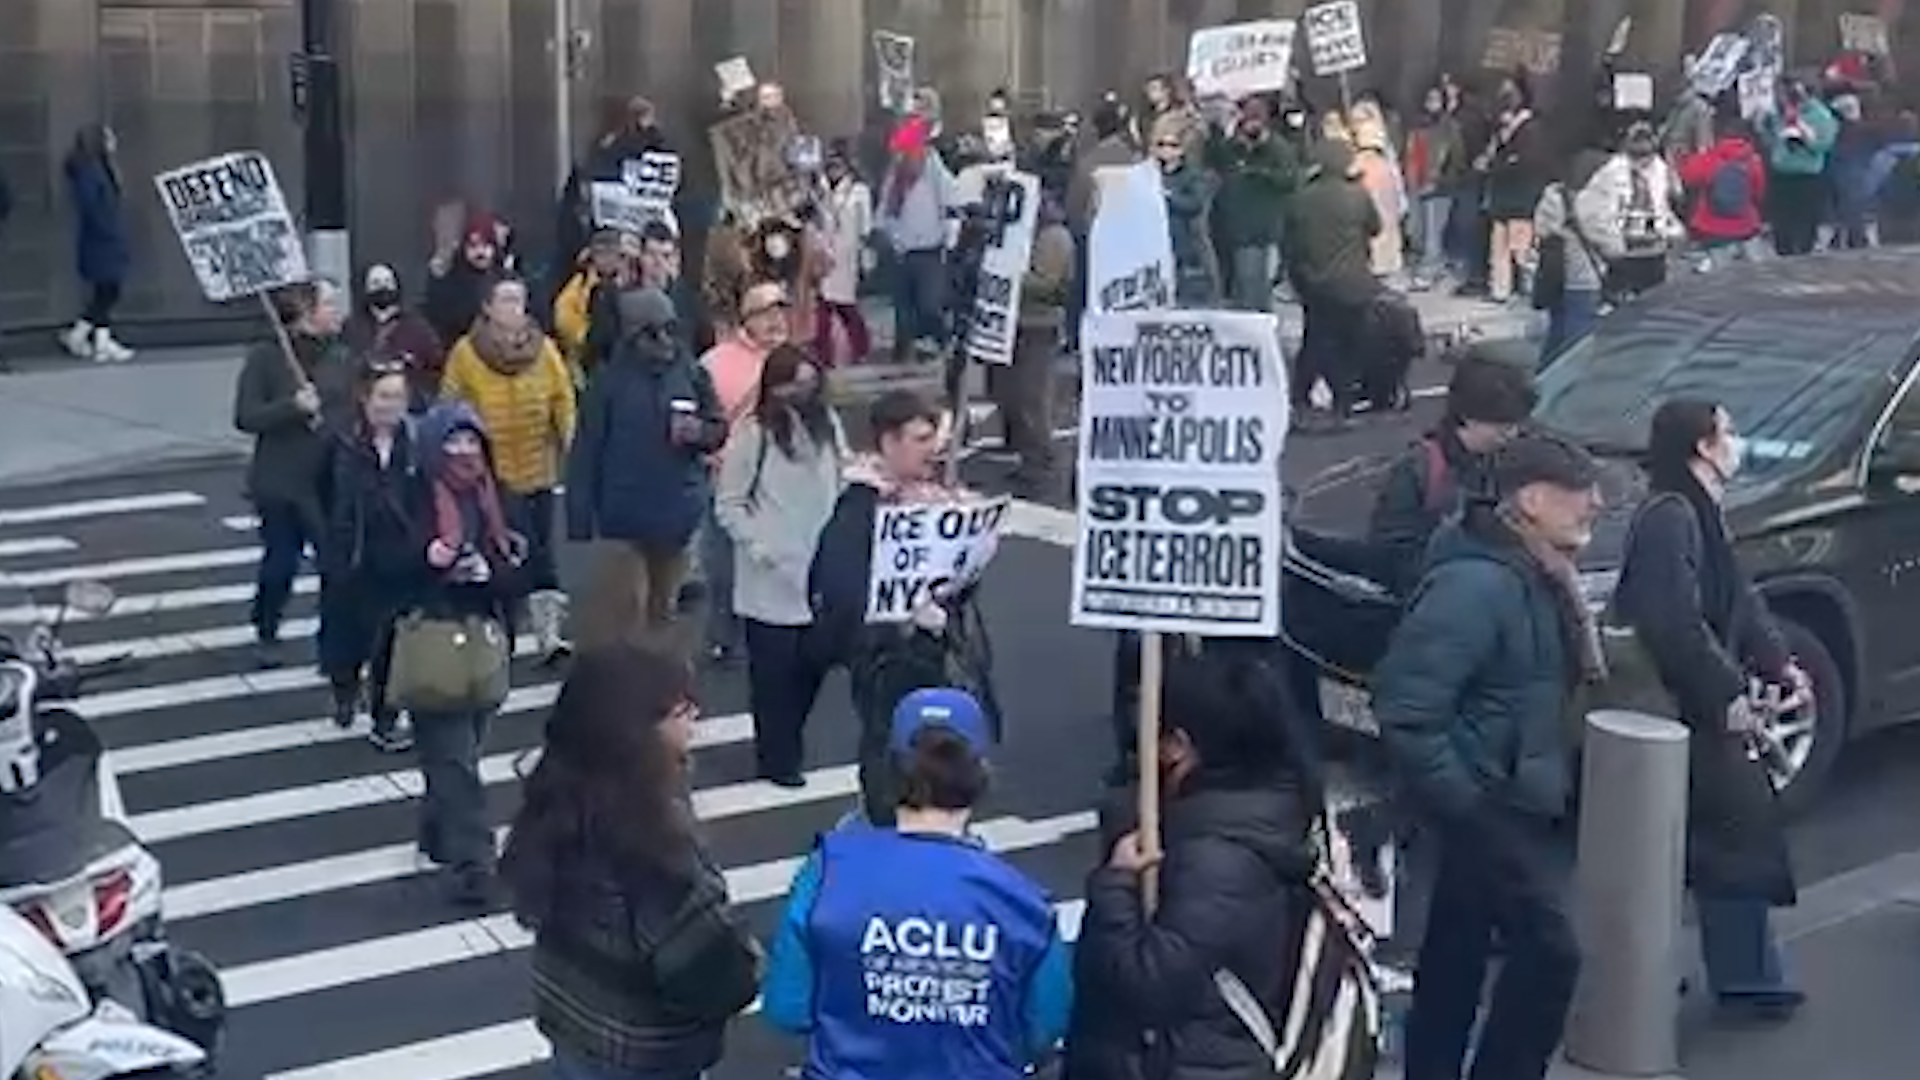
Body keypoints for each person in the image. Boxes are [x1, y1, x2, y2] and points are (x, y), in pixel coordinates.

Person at [1371, 430, 1604, 1080]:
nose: (1596, 503)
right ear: (1530, 500)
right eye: (1579, 492)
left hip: (1501, 795)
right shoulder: (1479, 586)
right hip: (1486, 805)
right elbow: (1406, 707)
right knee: (1550, 951)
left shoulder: (1533, 572)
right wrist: (1467, 803)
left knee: (1456, 957)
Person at [1614, 399, 1808, 1022]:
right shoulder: (1672, 518)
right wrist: (1727, 693)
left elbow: (1738, 597)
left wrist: (1776, 659)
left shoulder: (1695, 511)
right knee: (1723, 834)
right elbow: (1673, 620)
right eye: (1728, 430)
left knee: (1709, 837)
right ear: (1702, 446)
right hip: (1678, 710)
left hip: (1691, 705)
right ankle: (1732, 975)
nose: (1736, 441)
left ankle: (1716, 971)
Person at [763, 687, 1073, 1078]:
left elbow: (787, 1008)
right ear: (980, 774)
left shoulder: (827, 873)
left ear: (892, 770)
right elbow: (1045, 1027)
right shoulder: (1024, 905)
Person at [500, 645, 761, 1080]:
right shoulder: (659, 854)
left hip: (573, 1026)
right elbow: (718, 977)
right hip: (645, 1057)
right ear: (640, 732)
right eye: (681, 710)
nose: (695, 717)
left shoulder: (558, 801)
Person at [1065, 642, 1318, 1080]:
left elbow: (1145, 984)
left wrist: (1116, 884)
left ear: (1177, 745)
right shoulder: (1260, 817)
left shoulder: (1216, 862)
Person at [809, 389, 999, 826]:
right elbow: (840, 589)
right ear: (888, 442)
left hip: (933, 644)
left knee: (938, 738)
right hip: (885, 653)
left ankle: (931, 813)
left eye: (934, 437)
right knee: (889, 743)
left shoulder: (937, 497)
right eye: (919, 438)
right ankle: (887, 819)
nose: (932, 449)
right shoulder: (860, 507)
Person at [714, 344, 848, 787]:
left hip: (820, 569)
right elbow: (729, 502)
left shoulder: (828, 425)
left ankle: (786, 743)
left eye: (811, 384)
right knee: (773, 678)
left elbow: (843, 474)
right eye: (795, 384)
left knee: (812, 666)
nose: (804, 393)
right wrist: (759, 545)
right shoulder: (754, 433)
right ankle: (777, 756)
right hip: (770, 575)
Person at [567, 287, 727, 650]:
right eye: (651, 331)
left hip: (676, 514)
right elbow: (586, 451)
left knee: (663, 611)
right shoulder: (609, 382)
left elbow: (718, 426)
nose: (663, 339)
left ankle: (658, 682)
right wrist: (581, 518)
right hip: (624, 519)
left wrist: (699, 432)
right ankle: (631, 679)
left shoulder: (689, 371)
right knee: (627, 611)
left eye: (668, 329)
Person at [411, 401, 526, 905]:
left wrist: (489, 573)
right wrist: (431, 561)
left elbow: (524, 567)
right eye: (452, 442)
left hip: (484, 636)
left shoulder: (495, 496)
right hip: (430, 636)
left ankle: (438, 832)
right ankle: (476, 865)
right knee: (456, 758)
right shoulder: (414, 494)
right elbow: (383, 564)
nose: (463, 452)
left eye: (471, 442)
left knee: (461, 752)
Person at [234, 281, 356, 668]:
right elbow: (246, 416)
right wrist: (292, 406)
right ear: (306, 311)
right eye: (330, 304)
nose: (338, 311)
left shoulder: (343, 357)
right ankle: (266, 628)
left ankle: (334, 637)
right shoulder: (267, 358)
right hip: (281, 482)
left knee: (335, 565)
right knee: (281, 563)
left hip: (329, 479)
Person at [1367, 351, 1536, 594]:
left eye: (1517, 424)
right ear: (1467, 416)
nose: (1512, 434)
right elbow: (1391, 555)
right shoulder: (1417, 470)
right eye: (1502, 425)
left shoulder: (1515, 458)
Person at [318, 359, 423, 752]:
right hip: (351, 556)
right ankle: (344, 689)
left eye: (398, 397)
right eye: (383, 396)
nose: (390, 405)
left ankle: (385, 718)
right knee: (348, 636)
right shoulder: (339, 439)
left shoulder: (416, 441)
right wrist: (328, 540)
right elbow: (317, 491)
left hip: (398, 558)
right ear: (364, 397)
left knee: (392, 642)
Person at [699, 280, 793, 663]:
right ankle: (723, 636)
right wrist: (713, 456)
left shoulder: (796, 361)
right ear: (746, 320)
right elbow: (700, 422)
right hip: (730, 480)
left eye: (780, 311)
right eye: (765, 313)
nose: (776, 320)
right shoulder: (716, 364)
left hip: (784, 482)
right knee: (724, 565)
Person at [1284, 140, 1380, 429]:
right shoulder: (1357, 195)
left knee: (1315, 338)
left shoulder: (1301, 198)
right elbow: (1375, 227)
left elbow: (1289, 240)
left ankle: (1300, 396)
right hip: (1353, 279)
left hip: (1315, 281)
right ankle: (1344, 401)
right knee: (1349, 342)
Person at [989, 197, 1074, 495]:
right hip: (1019, 322)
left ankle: (1040, 460)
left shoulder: (1053, 237)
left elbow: (1048, 284)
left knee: (1032, 398)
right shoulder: (1030, 233)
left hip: (1040, 324)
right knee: (1012, 392)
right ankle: (1028, 453)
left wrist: (1008, 274)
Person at [1203, 95, 1298, 311]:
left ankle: (1260, 323)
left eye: (1255, 121)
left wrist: (1261, 174)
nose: (1250, 126)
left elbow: (1290, 179)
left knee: (1256, 283)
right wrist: (1216, 131)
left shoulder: (1277, 148)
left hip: (1262, 227)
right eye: (1247, 121)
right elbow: (1214, 161)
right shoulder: (1233, 146)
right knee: (1244, 283)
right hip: (1236, 225)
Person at [1575, 118, 1686, 301]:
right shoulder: (1611, 172)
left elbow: (1667, 205)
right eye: (1637, 156)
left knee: (1653, 302)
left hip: (1654, 249)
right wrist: (1609, 240)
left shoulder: (1660, 169)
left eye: (1647, 156)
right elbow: (1588, 211)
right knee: (1623, 305)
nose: (1643, 163)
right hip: (1623, 251)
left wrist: (1672, 231)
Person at [877, 116, 959, 363]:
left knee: (929, 305)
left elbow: (949, 200)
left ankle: (945, 340)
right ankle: (903, 354)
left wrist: (950, 238)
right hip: (903, 250)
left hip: (928, 250)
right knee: (903, 310)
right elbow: (886, 208)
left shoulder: (933, 169)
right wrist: (885, 234)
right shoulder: (895, 176)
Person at [59, 123, 133, 362]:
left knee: (106, 291)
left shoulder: (97, 169)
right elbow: (92, 206)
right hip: (101, 241)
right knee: (108, 290)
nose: (114, 142)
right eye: (109, 138)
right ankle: (93, 339)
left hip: (104, 240)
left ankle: (88, 337)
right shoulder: (90, 172)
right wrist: (108, 229)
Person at [1531, 149, 1610, 365]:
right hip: (1585, 276)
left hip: (1555, 274)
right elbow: (1606, 241)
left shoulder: (1553, 196)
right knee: (1580, 337)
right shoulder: (1591, 202)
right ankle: (1569, 385)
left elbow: (1541, 229)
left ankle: (1545, 378)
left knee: (1557, 331)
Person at [1478, 73, 1549, 303]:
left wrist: (1496, 165)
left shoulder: (1532, 129)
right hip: (1503, 198)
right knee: (1498, 249)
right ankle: (1500, 291)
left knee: (1521, 251)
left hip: (1521, 198)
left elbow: (1526, 163)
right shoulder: (1503, 130)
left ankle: (1535, 291)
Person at [1677, 112, 1768, 273]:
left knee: (1720, 275)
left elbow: (1687, 178)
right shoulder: (1753, 160)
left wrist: (1696, 154)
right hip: (1745, 223)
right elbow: (1758, 194)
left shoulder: (1711, 159)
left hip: (1713, 225)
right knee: (1756, 271)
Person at [345, 264, 445, 411]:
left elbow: (436, 368)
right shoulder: (352, 327)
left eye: (388, 282)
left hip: (409, 408)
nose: (383, 288)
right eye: (376, 283)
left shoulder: (418, 328)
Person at [1757, 77, 1839, 256]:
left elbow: (1823, 145)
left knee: (1804, 226)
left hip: (1806, 177)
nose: (1778, 98)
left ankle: (1803, 258)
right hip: (1781, 175)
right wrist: (1763, 127)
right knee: (1781, 227)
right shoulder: (1778, 114)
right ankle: (1784, 258)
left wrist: (1801, 129)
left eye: (1782, 94)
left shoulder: (1820, 115)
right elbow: (1773, 143)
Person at [816, 143, 875, 366]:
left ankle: (861, 346)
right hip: (823, 254)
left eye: (838, 165)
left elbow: (866, 228)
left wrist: (865, 258)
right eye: (829, 165)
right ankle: (823, 355)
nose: (833, 170)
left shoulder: (859, 191)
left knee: (845, 306)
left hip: (846, 257)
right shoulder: (819, 188)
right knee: (822, 308)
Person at [1154, 122, 1221, 306]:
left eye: (1172, 145)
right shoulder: (1150, 174)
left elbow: (1195, 203)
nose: (1166, 150)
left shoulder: (1192, 175)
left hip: (1183, 242)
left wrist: (1169, 196)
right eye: (1161, 145)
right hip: (1156, 244)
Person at [425, 211, 509, 344]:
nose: (480, 252)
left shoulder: (507, 281)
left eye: (486, 245)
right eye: (473, 246)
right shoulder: (451, 285)